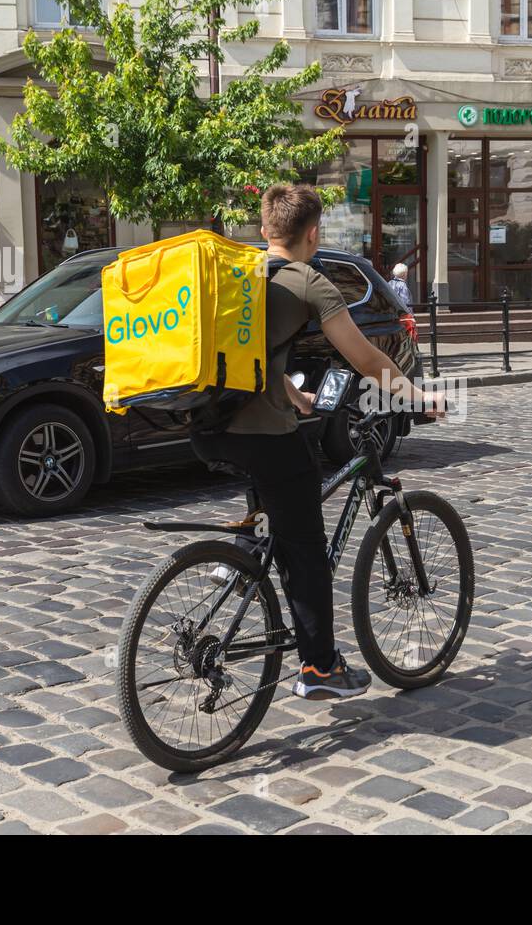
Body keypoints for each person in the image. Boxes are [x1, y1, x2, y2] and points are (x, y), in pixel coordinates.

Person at [192, 184, 444, 700]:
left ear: (264, 230)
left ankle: (241, 556)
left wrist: (295, 398)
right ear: (313, 234)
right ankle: (320, 669)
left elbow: (253, 352)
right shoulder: (310, 282)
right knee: (305, 547)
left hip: (206, 430)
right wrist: (418, 396)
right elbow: (366, 359)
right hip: (263, 436)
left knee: (276, 510)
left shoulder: (241, 276)